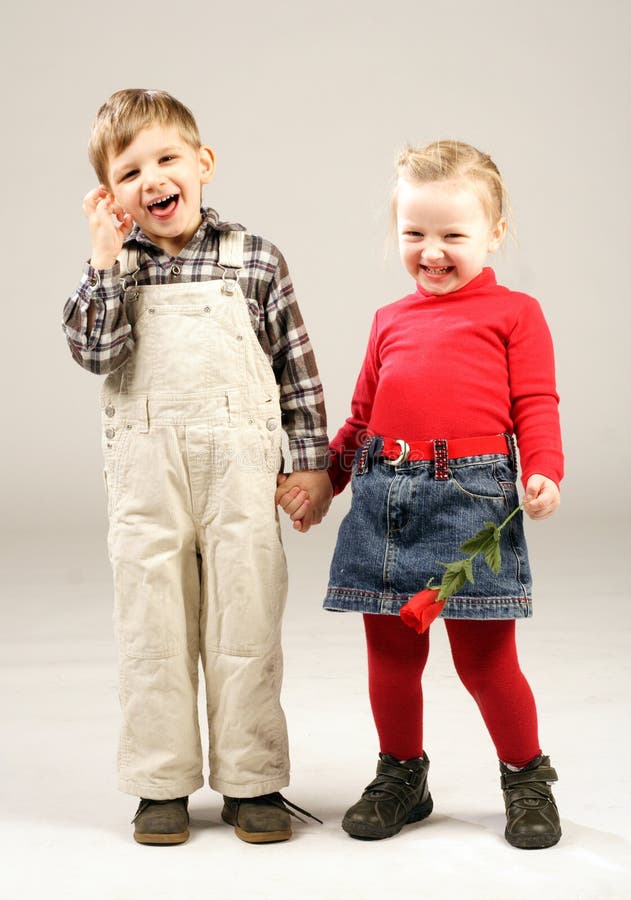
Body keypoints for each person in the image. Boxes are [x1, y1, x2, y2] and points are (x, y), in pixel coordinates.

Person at [62, 88, 331, 845]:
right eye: (129, 171)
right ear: (109, 194)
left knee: (246, 617)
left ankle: (254, 782)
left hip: (241, 471)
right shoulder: (115, 270)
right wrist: (104, 260)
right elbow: (96, 354)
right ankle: (160, 785)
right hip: (149, 482)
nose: (152, 179)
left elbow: (296, 370)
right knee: (152, 624)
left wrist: (310, 465)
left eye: (167, 159)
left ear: (202, 164)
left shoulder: (255, 258)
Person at [278, 140, 563, 849]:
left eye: (451, 236)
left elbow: (535, 401)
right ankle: (401, 774)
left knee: (485, 661)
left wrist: (544, 469)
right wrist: (326, 478)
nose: (431, 252)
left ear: (494, 234)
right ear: (395, 234)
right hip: (384, 504)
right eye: (414, 235)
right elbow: (361, 418)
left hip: (471, 507)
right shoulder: (388, 320)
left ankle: (524, 775)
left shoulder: (514, 314)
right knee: (391, 659)